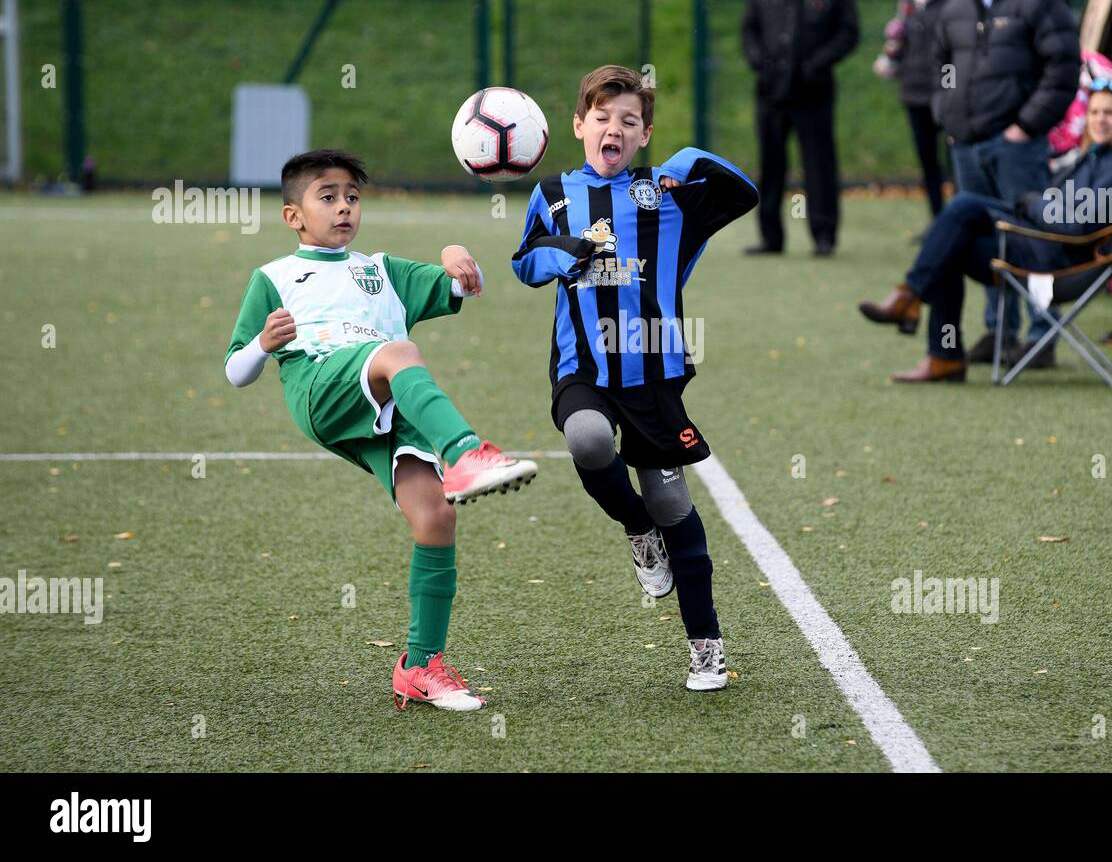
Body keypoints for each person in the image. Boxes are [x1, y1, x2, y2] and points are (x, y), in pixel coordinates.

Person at [224, 149, 538, 714]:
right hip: (321, 388)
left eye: (352, 196)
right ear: (294, 216)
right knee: (399, 351)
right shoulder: (273, 277)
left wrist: (455, 255)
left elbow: (463, 286)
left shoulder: (381, 271)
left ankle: (420, 666)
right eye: (328, 196)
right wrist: (260, 345)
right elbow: (235, 371)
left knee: (436, 517)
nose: (344, 206)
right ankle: (467, 453)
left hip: (385, 406)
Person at [511, 65, 758, 691]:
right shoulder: (555, 195)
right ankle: (636, 527)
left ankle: (706, 648)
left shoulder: (668, 193)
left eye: (628, 121)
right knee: (589, 441)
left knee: (673, 500)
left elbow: (743, 191)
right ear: (578, 126)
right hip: (582, 369)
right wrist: (564, 251)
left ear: (644, 134)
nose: (613, 129)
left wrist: (688, 159)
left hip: (654, 372)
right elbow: (525, 263)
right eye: (602, 118)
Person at [858, 80, 1112, 382]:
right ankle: (938, 347)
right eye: (1094, 112)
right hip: (1045, 245)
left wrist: (1033, 205)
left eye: (1110, 113)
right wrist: (1034, 205)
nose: (1100, 120)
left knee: (961, 212)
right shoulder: (1096, 157)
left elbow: (1078, 226)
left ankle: (914, 305)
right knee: (952, 233)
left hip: (1063, 262)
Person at [930, 0, 1079, 367]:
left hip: (1017, 146)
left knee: (1031, 237)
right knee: (984, 242)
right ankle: (998, 333)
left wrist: (1025, 127)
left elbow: (1063, 70)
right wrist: (948, 115)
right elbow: (941, 68)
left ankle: (1041, 337)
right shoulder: (955, 2)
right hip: (968, 146)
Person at [741, 0, 859, 256]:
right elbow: (749, 30)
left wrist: (816, 64)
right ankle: (770, 237)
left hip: (814, 94)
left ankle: (824, 235)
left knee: (819, 164)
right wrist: (759, 62)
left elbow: (848, 33)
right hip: (771, 93)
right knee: (771, 164)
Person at [872, 0, 958, 218]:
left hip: (947, 91)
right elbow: (899, 39)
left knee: (956, 161)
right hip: (914, 90)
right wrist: (889, 59)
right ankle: (938, 220)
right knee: (927, 161)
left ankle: (960, 220)